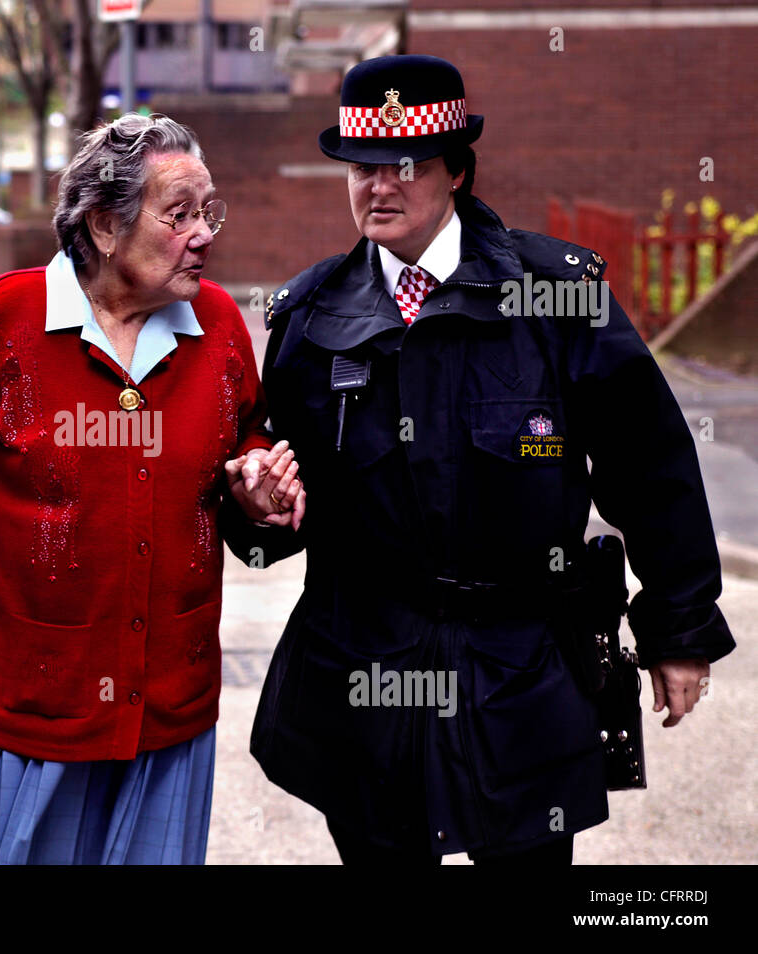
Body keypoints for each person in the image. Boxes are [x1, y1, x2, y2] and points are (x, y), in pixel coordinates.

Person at [221, 54, 735, 865]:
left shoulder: (555, 295)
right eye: (360, 168)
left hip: (520, 666)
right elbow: (275, 505)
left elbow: (652, 465)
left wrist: (678, 628)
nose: (377, 188)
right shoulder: (310, 316)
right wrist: (255, 507)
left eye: (405, 166)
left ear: (456, 170)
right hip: (366, 670)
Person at [0, 113, 303, 865]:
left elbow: (247, 437)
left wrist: (259, 482)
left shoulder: (219, 326)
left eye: (209, 211)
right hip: (37, 710)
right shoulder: (3, 324)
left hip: (171, 711)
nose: (205, 234)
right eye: (180, 215)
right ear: (102, 226)